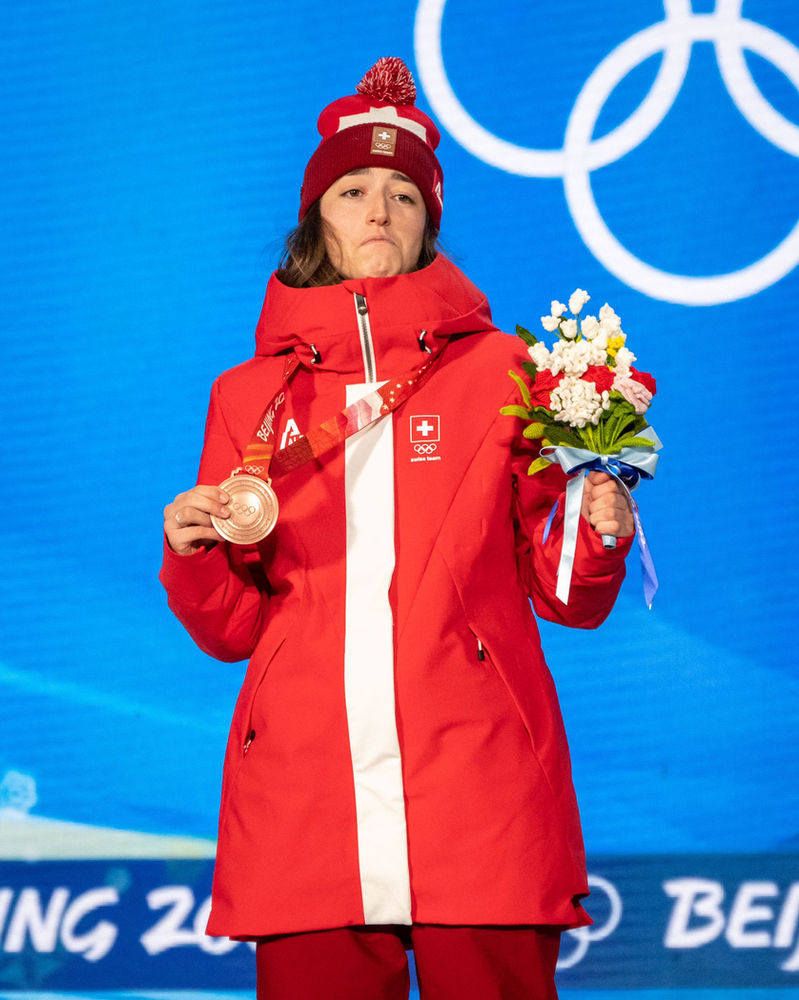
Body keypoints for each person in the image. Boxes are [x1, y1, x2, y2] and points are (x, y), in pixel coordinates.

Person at [160, 57, 634, 1000]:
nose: (378, 211)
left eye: (402, 197)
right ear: (316, 221)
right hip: (305, 797)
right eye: (352, 190)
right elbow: (231, 631)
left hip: (481, 783)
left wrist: (600, 527)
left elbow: (565, 598)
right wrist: (194, 551)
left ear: (429, 223)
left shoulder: (510, 371)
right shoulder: (246, 397)